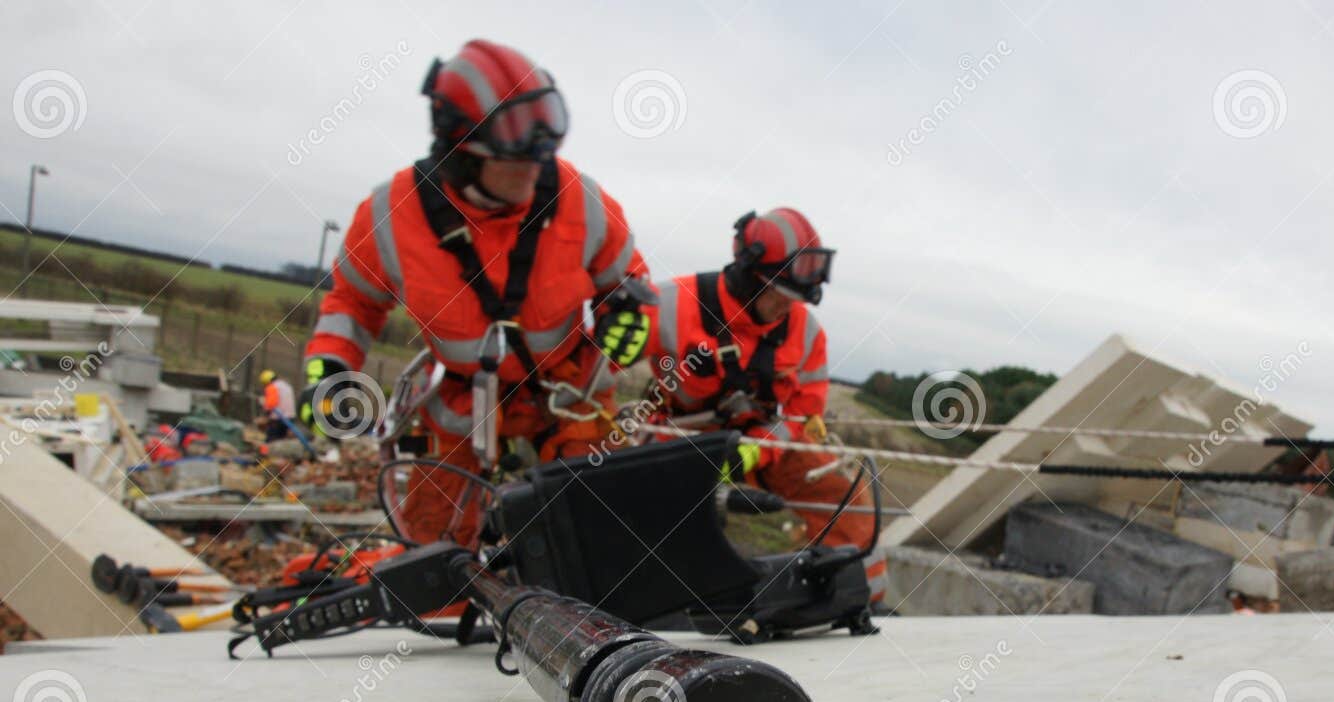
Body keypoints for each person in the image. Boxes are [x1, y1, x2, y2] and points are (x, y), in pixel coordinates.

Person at [303, 39, 654, 543]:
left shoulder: (581, 199)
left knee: (597, 535)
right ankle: (442, 610)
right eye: (517, 159)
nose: (537, 171)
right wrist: (330, 364)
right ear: (462, 154)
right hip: (460, 401)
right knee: (434, 547)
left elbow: (626, 282)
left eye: (545, 155)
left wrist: (627, 319)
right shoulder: (390, 216)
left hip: (567, 393)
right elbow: (353, 303)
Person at [645, 208, 886, 605]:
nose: (785, 309)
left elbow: (800, 416)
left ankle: (855, 598)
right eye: (779, 295)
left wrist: (753, 451)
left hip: (762, 443)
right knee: (621, 485)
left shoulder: (805, 333)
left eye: (795, 300)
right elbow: (602, 358)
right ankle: (652, 597)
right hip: (680, 437)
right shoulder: (670, 305)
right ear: (747, 277)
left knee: (841, 490)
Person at [258, 369, 296, 440]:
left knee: (271, 440)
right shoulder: (287, 386)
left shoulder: (272, 387)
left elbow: (270, 404)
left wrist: (265, 416)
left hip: (278, 419)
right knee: (282, 440)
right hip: (290, 418)